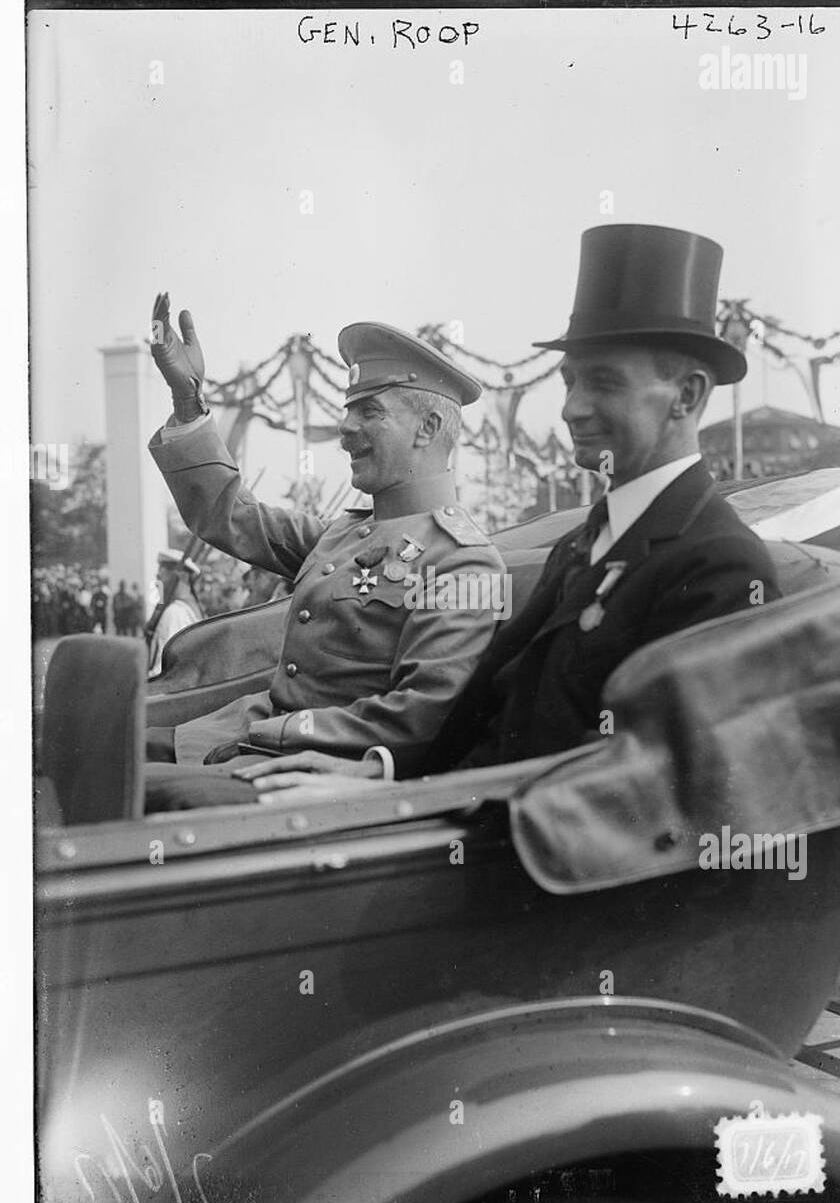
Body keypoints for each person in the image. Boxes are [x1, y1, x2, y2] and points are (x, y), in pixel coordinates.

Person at [233, 224, 782, 800]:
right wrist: (378, 774)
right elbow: (489, 718)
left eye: (604, 383)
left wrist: (390, 797)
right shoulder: (590, 542)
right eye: (570, 381)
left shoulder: (720, 565)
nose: (572, 407)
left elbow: (665, 794)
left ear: (688, 396)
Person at [143, 294, 504, 796]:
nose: (345, 429)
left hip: (311, 769)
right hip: (236, 739)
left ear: (429, 427)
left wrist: (279, 733)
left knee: (113, 784)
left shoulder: (465, 562)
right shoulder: (338, 535)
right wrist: (188, 401)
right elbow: (227, 516)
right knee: (83, 748)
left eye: (369, 412)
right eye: (348, 410)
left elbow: (425, 714)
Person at [147, 550, 204, 678]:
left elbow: (163, 669)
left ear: (179, 577)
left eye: (160, 578)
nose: (157, 585)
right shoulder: (189, 608)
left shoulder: (175, 613)